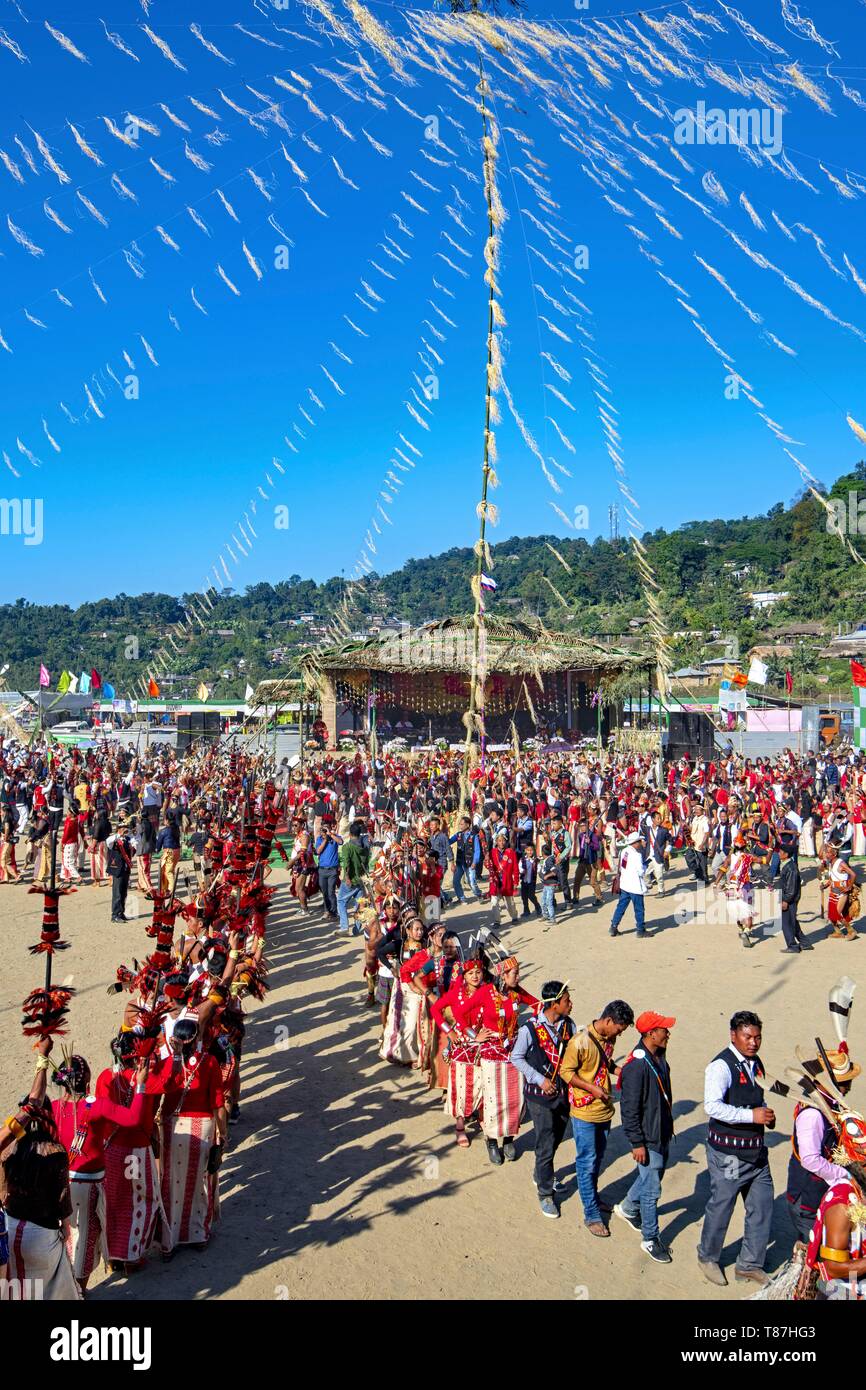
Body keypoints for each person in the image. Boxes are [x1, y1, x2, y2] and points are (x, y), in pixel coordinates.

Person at [697, 1010, 775, 1288]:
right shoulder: (720, 1066)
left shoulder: (756, 1063)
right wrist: (751, 1116)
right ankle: (707, 1257)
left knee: (763, 1206)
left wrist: (764, 1114)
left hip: (756, 1153)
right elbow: (712, 1106)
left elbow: (753, 1099)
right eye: (747, 1036)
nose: (753, 1042)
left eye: (757, 1037)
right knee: (722, 1206)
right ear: (733, 1035)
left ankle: (749, 1265)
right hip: (728, 1154)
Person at [560, 999, 635, 1237]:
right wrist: (592, 1088)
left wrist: (617, 1070)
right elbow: (565, 1072)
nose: (619, 1035)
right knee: (587, 1161)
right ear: (609, 1021)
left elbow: (605, 1062)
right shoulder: (579, 1042)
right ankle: (591, 1213)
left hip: (604, 1110)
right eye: (619, 1029)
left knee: (597, 1158)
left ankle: (592, 1196)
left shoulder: (608, 1040)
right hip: (584, 1112)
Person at [613, 1011, 676, 1264]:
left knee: (653, 1176)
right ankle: (650, 1238)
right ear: (651, 1034)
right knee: (652, 1191)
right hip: (648, 1138)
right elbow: (628, 1109)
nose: (668, 1033)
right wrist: (636, 1143)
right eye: (664, 1030)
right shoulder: (637, 1066)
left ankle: (628, 1208)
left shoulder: (658, 1055)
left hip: (660, 1132)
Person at [510, 980, 575, 1219]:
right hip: (539, 1097)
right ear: (554, 1003)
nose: (571, 1004)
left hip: (562, 1093)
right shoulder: (529, 1029)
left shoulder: (569, 1025)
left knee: (557, 1136)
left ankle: (540, 1172)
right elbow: (516, 1057)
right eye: (567, 1001)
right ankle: (545, 1193)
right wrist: (538, 1079)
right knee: (546, 1143)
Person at [785, 1041, 860, 1244]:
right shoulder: (812, 1115)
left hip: (819, 1195)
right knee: (818, 1256)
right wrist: (844, 1174)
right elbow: (810, 1160)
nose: (849, 1087)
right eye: (845, 1082)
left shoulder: (830, 1104)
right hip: (808, 1199)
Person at [609, 832, 648, 939]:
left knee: (621, 906)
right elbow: (640, 871)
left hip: (625, 884)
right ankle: (640, 930)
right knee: (639, 909)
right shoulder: (637, 855)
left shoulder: (624, 851)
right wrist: (645, 866)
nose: (641, 843)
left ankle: (613, 926)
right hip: (635, 886)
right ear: (635, 843)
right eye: (639, 841)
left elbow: (623, 866)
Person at [336, 820, 370, 935]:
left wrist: (347, 878)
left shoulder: (348, 847)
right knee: (358, 904)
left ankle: (344, 927)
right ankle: (356, 928)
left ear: (350, 834)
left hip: (350, 880)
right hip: (361, 880)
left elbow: (346, 863)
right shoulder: (365, 848)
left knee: (341, 901)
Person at [779, 842, 811, 954]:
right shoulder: (787, 865)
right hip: (788, 897)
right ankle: (805, 943)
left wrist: (785, 900)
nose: (779, 853)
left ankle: (792, 946)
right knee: (792, 921)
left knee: (786, 923)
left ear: (786, 854)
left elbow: (791, 888)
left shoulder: (791, 868)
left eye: (781, 852)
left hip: (790, 899)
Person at [106, 819, 135, 923]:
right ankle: (114, 915)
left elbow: (136, 843)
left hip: (125, 869)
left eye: (125, 828)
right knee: (117, 893)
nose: (124, 830)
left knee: (123, 893)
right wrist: (118, 835)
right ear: (118, 829)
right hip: (117, 869)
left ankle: (121, 913)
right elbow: (108, 842)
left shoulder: (128, 839)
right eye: (122, 828)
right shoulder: (113, 839)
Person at [314, 820, 341, 920]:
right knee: (324, 892)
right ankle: (327, 911)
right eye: (322, 829)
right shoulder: (320, 839)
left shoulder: (334, 838)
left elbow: (341, 842)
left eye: (326, 828)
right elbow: (317, 851)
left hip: (332, 870)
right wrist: (325, 840)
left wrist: (330, 834)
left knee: (331, 892)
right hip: (322, 870)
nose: (323, 831)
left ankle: (334, 913)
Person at [519, 843, 541, 917]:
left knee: (531, 895)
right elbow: (520, 868)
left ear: (533, 850)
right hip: (524, 881)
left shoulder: (535, 860)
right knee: (524, 896)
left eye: (531, 850)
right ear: (525, 851)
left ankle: (537, 906)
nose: (530, 852)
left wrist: (537, 870)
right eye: (528, 850)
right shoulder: (522, 860)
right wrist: (522, 870)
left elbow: (539, 869)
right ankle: (526, 910)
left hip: (532, 881)